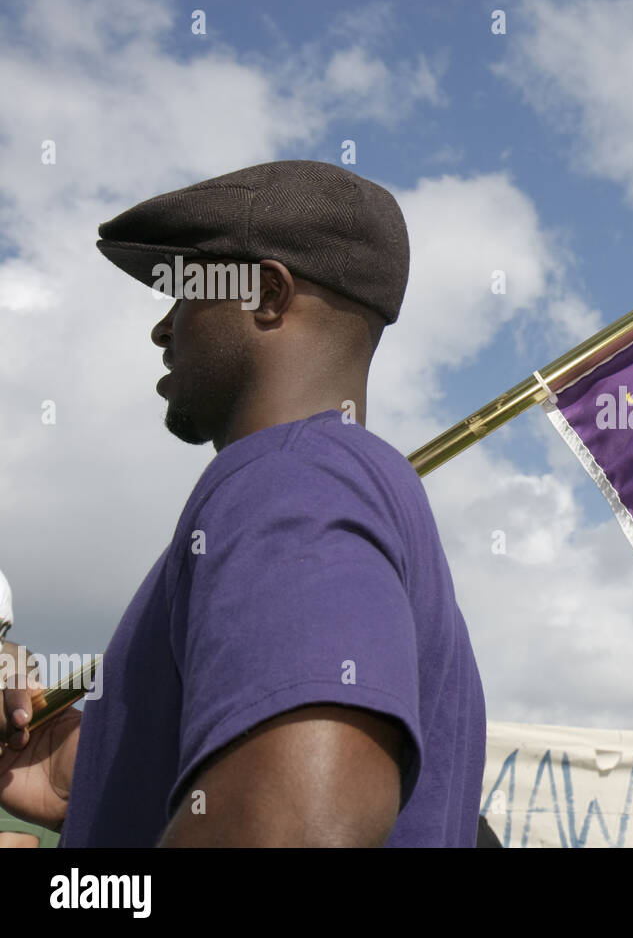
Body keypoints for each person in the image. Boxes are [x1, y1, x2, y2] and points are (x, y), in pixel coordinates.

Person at [0, 160, 486, 846]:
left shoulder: (287, 480)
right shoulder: (350, 493)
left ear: (265, 293)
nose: (162, 330)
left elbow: (299, 831)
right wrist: (98, 785)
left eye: (184, 293)